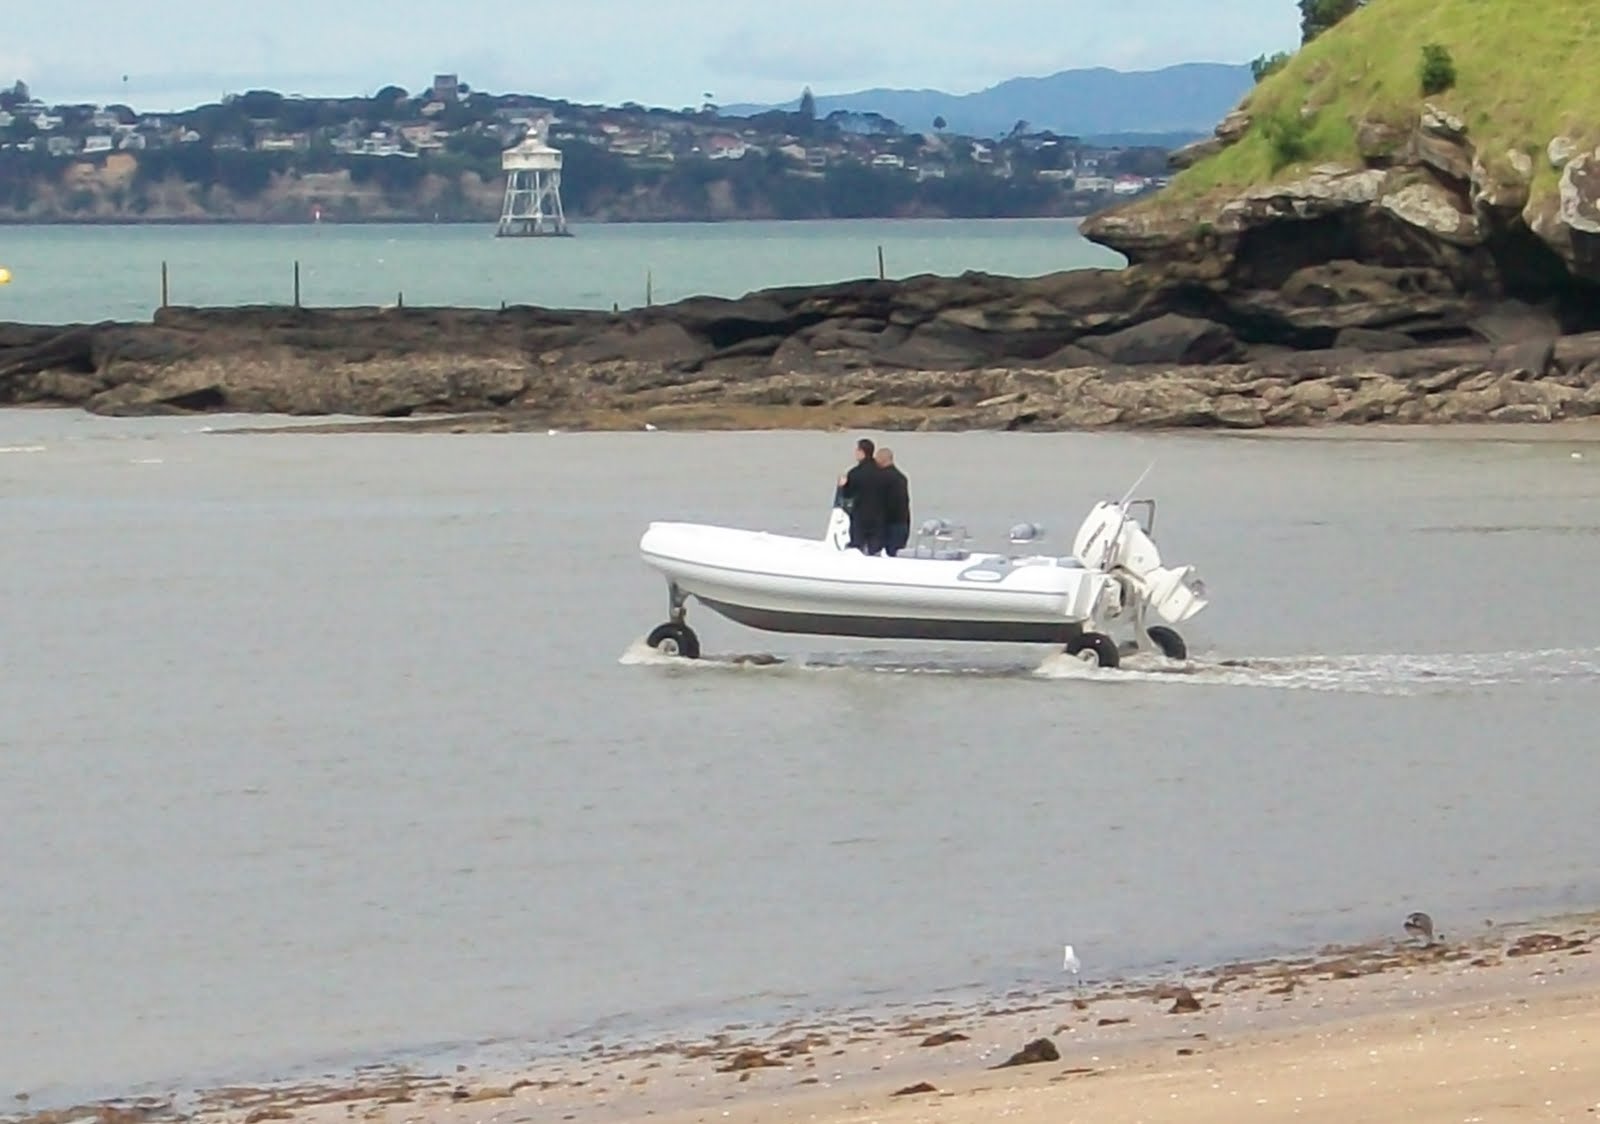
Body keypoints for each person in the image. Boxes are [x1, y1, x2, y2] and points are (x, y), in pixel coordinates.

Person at [837, 437, 888, 554]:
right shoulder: (882, 472)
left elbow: (847, 494)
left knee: (857, 547)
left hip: (860, 515)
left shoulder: (855, 473)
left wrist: (842, 486)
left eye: (857, 450)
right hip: (879, 516)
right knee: (875, 550)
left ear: (862, 452)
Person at [875, 446, 911, 557]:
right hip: (902, 522)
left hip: (887, 524)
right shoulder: (902, 477)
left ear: (882, 459)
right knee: (896, 554)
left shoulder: (880, 478)